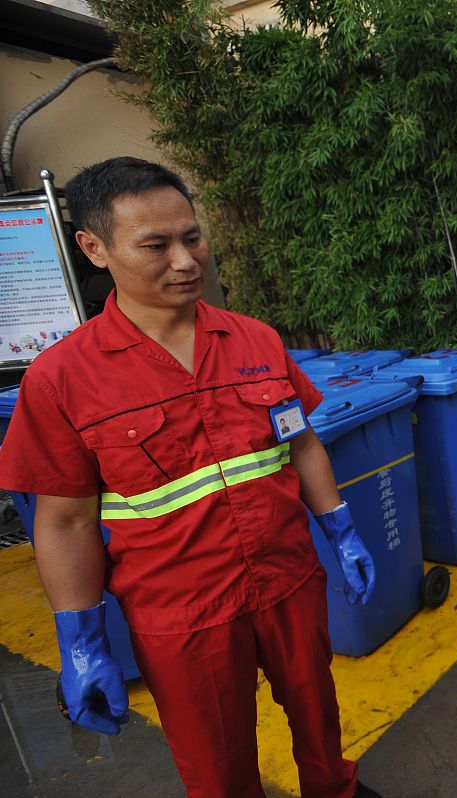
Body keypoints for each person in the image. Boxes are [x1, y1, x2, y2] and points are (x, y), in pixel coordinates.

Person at [0, 157, 381, 798]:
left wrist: (340, 529)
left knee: (319, 715)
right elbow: (63, 521)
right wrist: (81, 639)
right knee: (216, 763)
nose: (185, 261)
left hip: (287, 579)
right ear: (95, 248)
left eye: (192, 237)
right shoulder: (63, 378)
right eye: (156, 245)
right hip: (182, 613)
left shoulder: (254, 341)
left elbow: (302, 443)